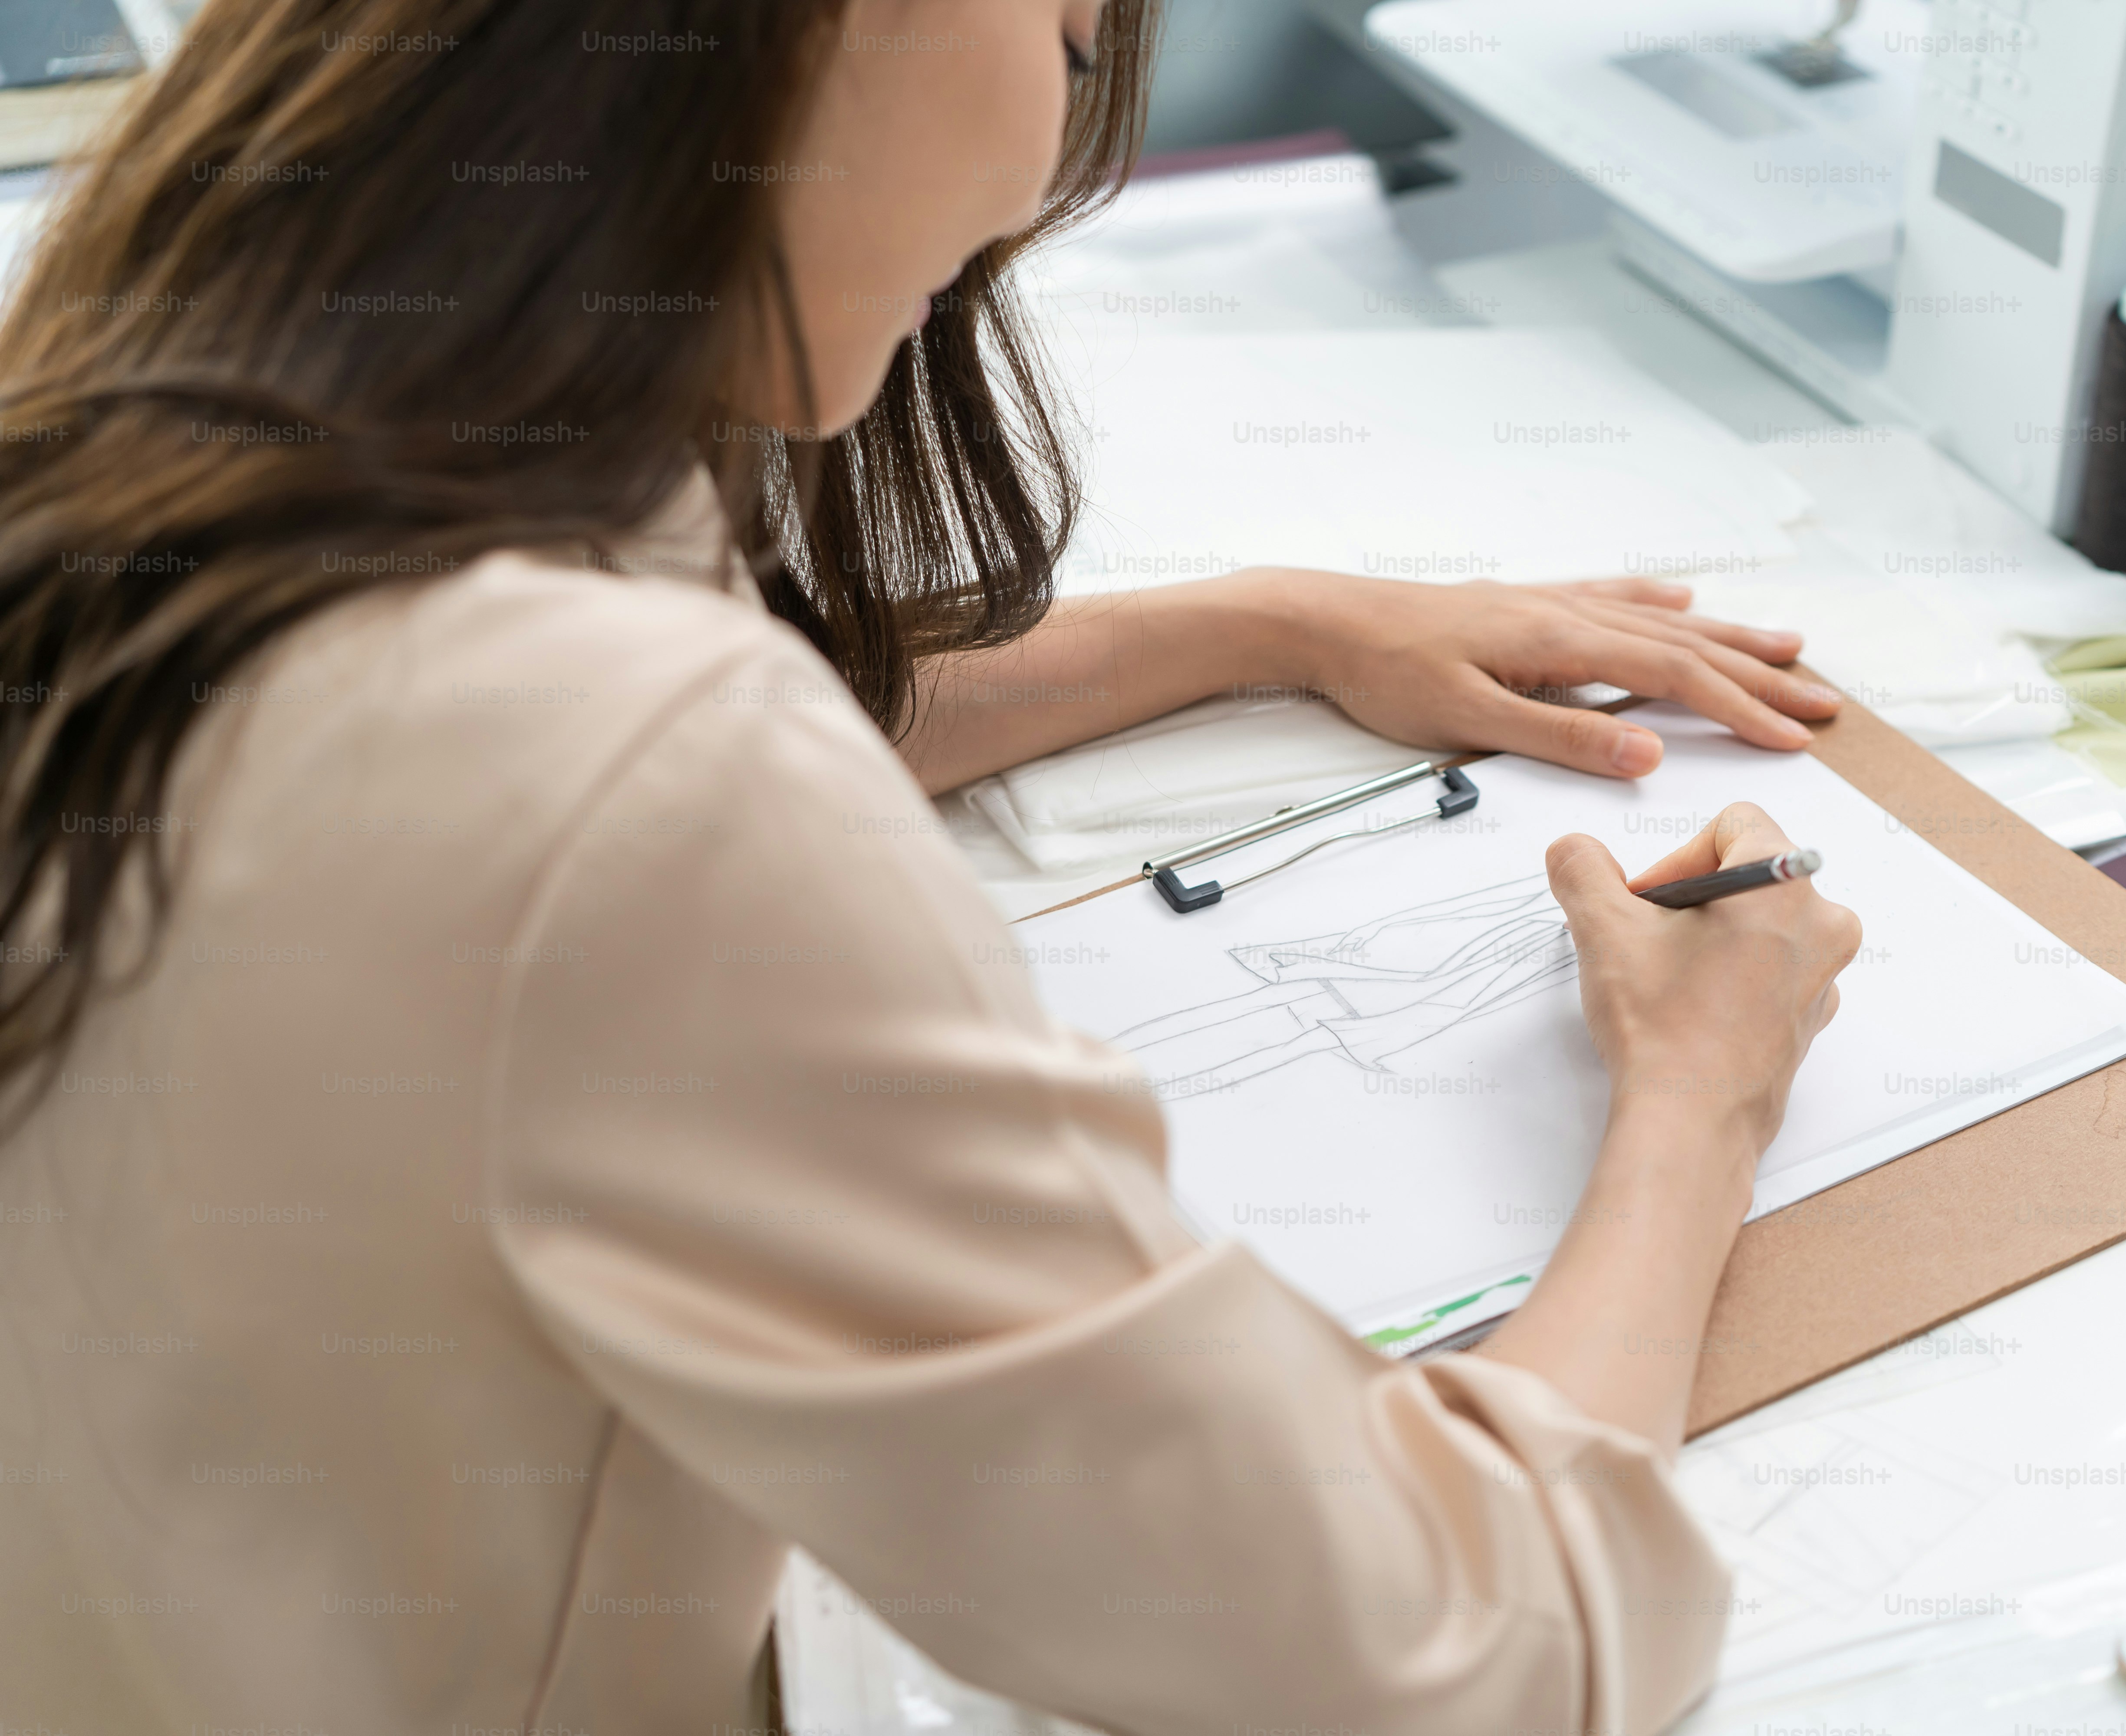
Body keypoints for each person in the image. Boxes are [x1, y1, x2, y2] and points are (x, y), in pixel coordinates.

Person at [0, 2, 1861, 1732]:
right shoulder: (627, 786)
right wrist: (1702, 1093)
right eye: (1060, 28)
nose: (1047, 152)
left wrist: (1264, 619)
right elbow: (1463, 1656)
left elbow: (542, 775)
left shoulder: (149, 431)